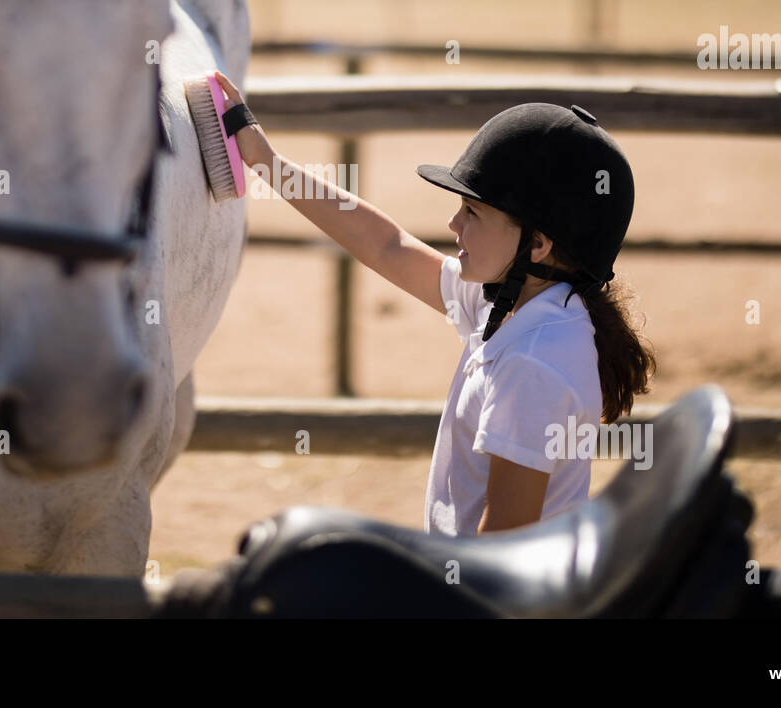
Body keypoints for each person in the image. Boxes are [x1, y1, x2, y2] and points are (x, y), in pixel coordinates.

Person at [211, 70, 654, 535]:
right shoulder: (515, 306)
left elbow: (504, 538)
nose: (452, 223)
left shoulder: (534, 364)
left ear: (537, 245)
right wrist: (269, 163)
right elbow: (388, 246)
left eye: (472, 212)